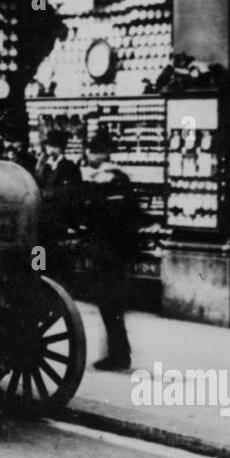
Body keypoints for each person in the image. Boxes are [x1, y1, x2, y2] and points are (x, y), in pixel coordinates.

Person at [82, 128, 138, 371]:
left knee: (109, 303)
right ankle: (118, 351)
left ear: (98, 154)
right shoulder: (119, 178)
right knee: (111, 304)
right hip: (113, 249)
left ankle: (118, 354)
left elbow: (108, 217)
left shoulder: (109, 179)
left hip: (107, 250)